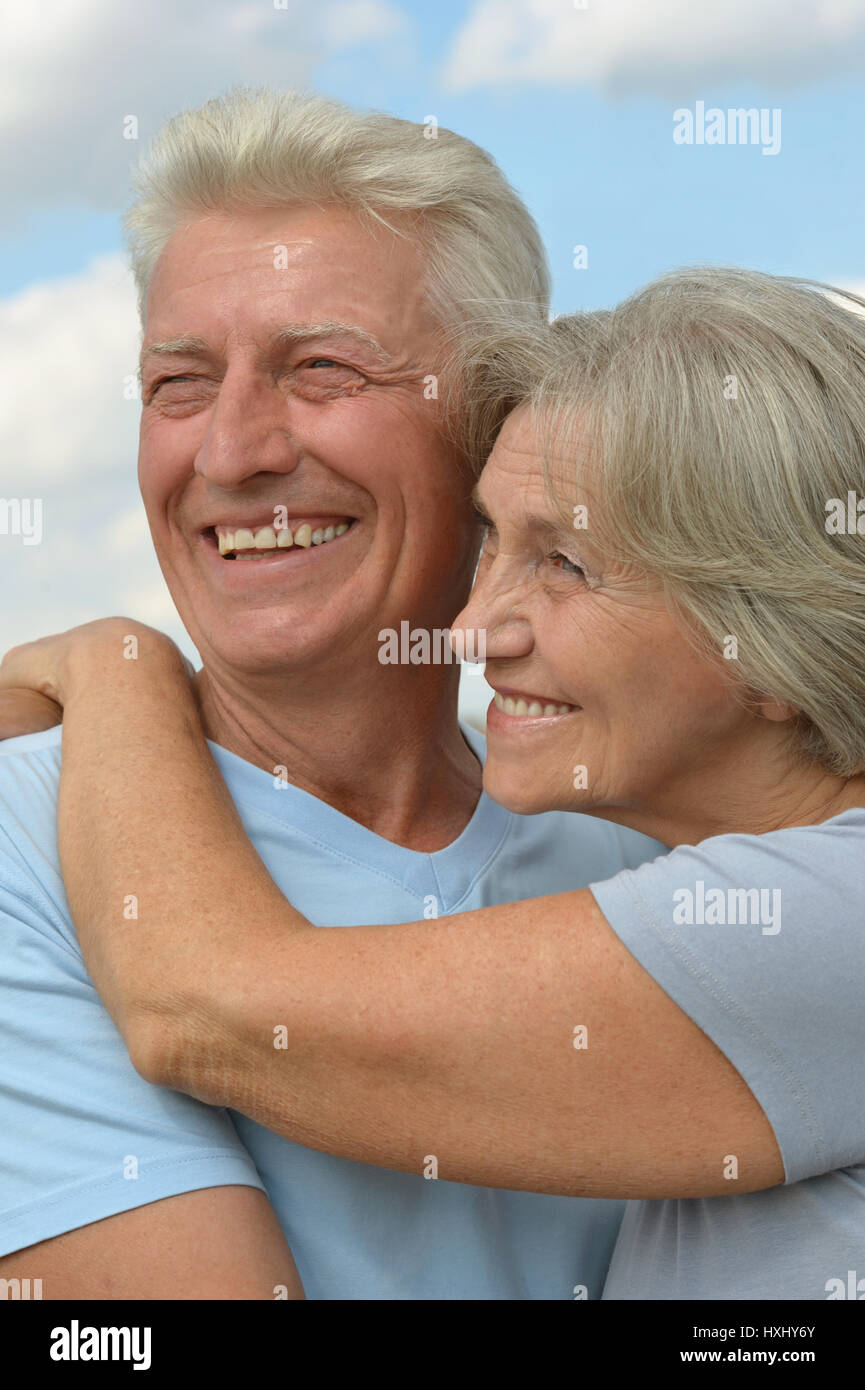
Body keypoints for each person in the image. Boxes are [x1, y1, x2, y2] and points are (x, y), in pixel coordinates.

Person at [6, 265, 865, 1301]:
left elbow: (203, 1005)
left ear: (774, 641)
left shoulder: (817, 923)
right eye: (492, 541)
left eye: (566, 566)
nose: (471, 632)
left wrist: (116, 663)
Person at [0, 88, 664, 1300]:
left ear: (500, 418)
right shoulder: (23, 842)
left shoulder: (641, 847)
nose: (233, 451)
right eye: (178, 384)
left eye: (322, 368)